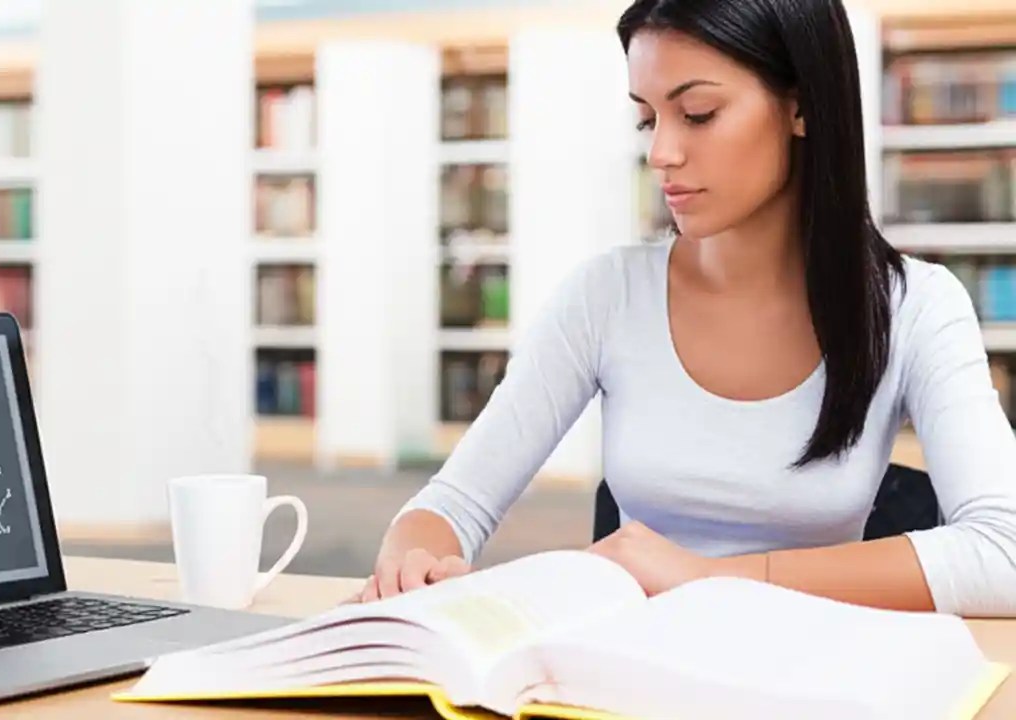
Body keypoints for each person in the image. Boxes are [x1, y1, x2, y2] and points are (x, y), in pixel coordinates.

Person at [354, 0, 1016, 616]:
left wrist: (706, 577)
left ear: (801, 105)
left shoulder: (916, 307)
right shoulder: (606, 296)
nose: (660, 153)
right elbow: (450, 507)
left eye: (697, 113)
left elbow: (1005, 552)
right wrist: (411, 561)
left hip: (814, 677)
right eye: (647, 118)